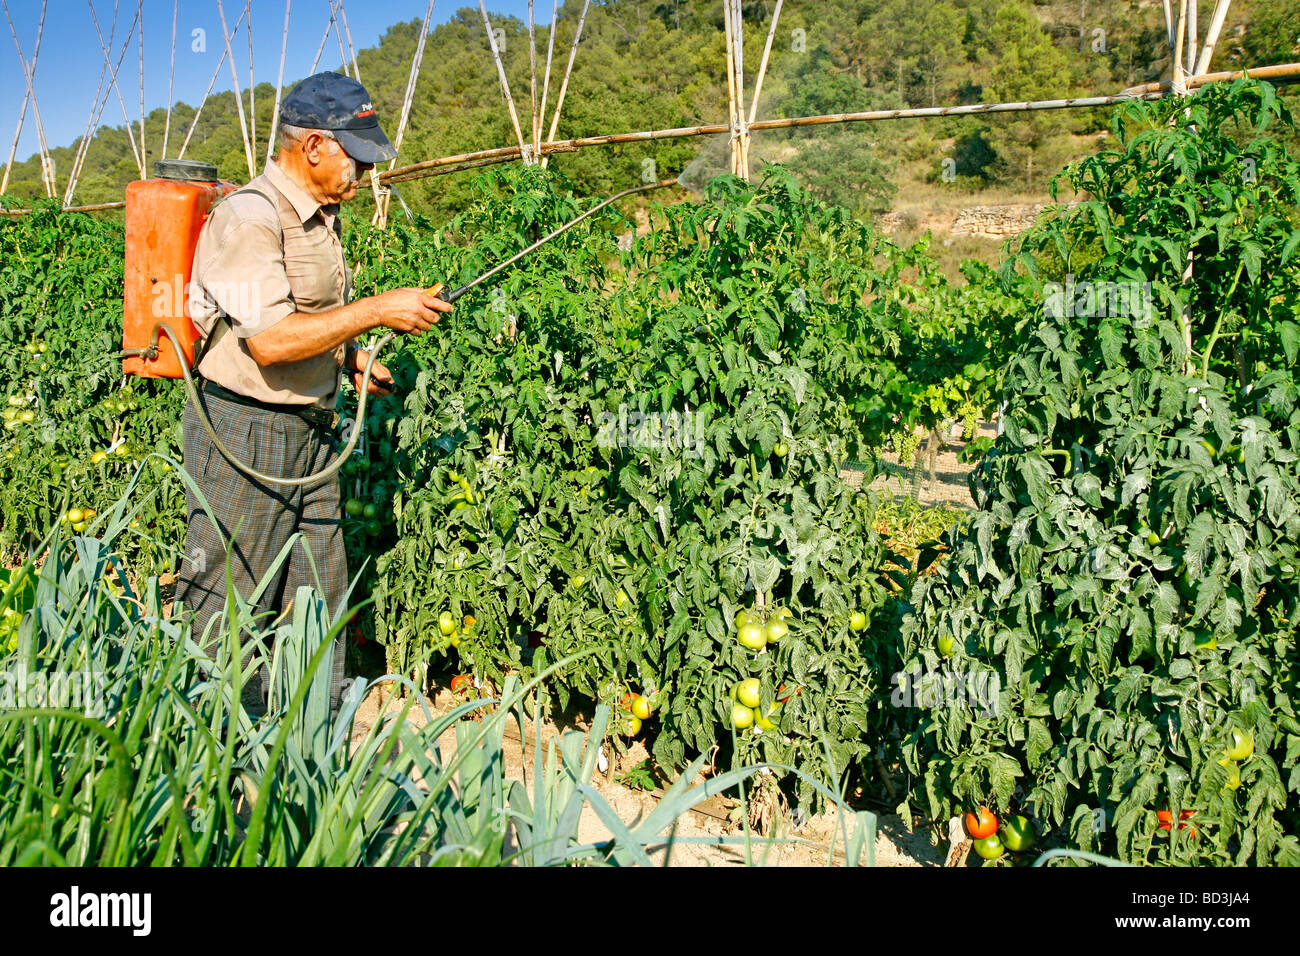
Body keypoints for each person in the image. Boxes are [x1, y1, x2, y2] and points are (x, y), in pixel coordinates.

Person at [176, 71, 452, 712]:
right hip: (245, 433)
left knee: (318, 604)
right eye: (356, 155)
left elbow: (303, 319)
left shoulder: (319, 221)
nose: (364, 171)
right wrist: (376, 312)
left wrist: (349, 356)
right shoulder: (249, 218)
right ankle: (216, 765)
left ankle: (309, 766)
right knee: (230, 604)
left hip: (312, 431)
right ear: (314, 147)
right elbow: (269, 342)